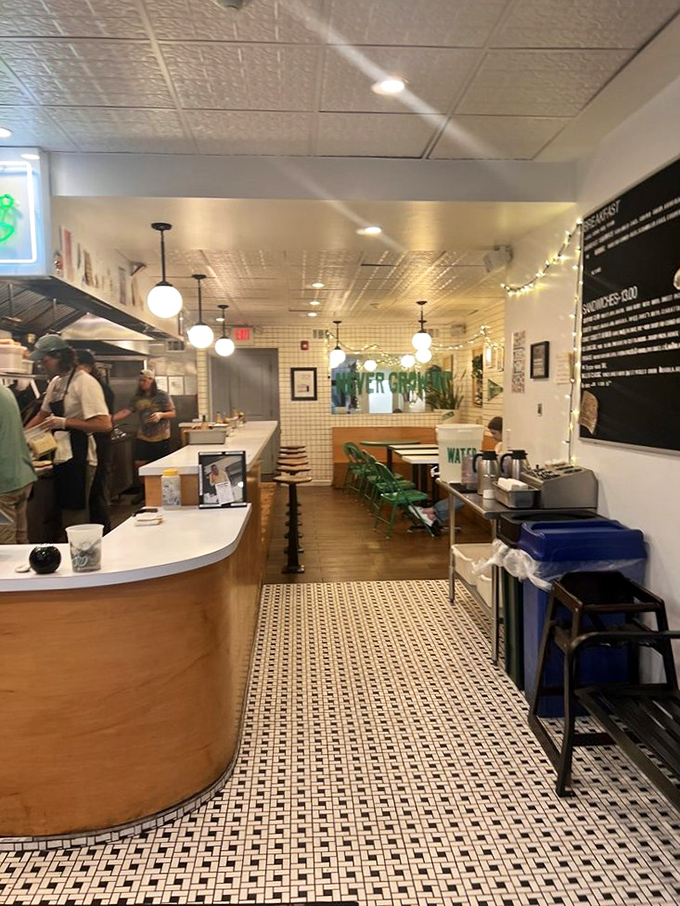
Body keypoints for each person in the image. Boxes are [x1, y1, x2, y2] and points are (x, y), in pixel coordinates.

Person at [26, 335, 112, 532]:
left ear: (59, 357)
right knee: (65, 511)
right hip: (62, 454)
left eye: (44, 360)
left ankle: (83, 553)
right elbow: (42, 415)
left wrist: (65, 422)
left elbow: (104, 423)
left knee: (76, 511)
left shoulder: (84, 383)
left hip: (81, 456)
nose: (42, 365)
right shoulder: (56, 383)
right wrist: (21, 436)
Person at [416, 416, 504, 529]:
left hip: (494, 483)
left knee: (465, 495)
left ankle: (433, 513)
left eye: (494, 433)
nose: (493, 437)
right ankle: (434, 514)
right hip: (487, 480)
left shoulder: (505, 447)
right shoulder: (499, 445)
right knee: (462, 494)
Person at [76, 350, 115, 534]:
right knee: (96, 493)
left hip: (99, 445)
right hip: (94, 446)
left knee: (97, 493)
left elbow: (104, 423)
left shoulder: (94, 386)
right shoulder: (97, 385)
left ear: (88, 367)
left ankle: (102, 535)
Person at [113, 369, 176, 469]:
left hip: (161, 437)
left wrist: (160, 415)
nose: (141, 383)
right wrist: (110, 419)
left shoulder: (162, 396)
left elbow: (172, 413)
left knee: (162, 466)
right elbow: (126, 411)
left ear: (151, 380)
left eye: (144, 380)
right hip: (143, 436)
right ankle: (144, 485)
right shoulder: (137, 397)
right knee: (139, 464)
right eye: (140, 381)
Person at [0, 384, 37, 544]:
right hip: (22, 475)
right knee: (21, 541)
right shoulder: (6, 392)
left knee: (6, 546)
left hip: (4, 484)